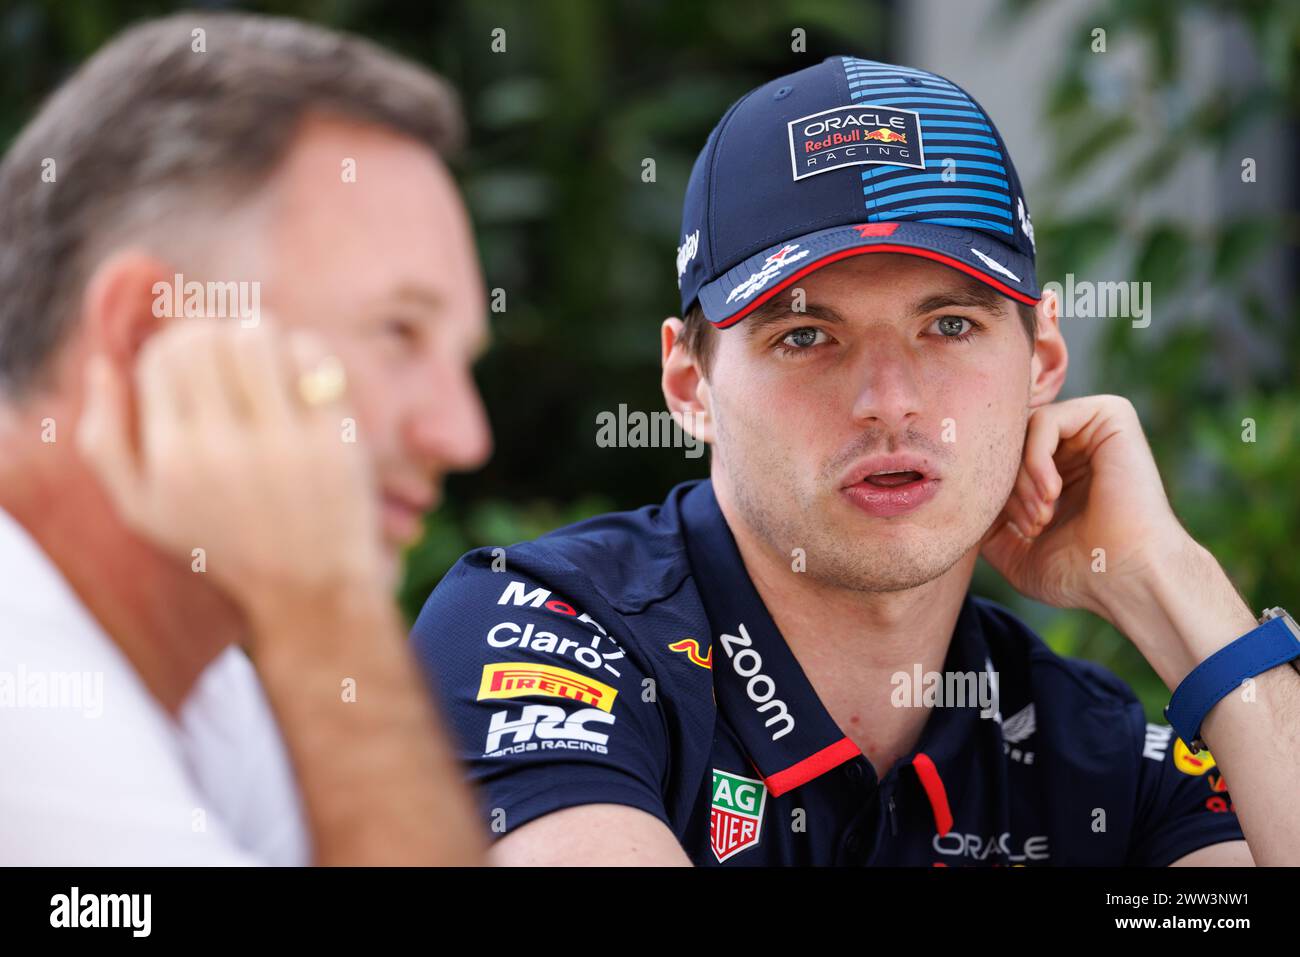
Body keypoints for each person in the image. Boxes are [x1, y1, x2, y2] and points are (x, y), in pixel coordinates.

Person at [411, 55, 1300, 866]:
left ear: (1042, 361)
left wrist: (1170, 582)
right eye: (806, 335)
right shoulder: (540, 632)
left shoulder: (1095, 757)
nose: (890, 400)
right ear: (690, 383)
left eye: (949, 325)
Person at [0, 13, 492, 865]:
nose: (461, 434)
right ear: (149, 333)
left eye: (459, 361)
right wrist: (325, 609)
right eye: (396, 332)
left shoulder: (207, 677)